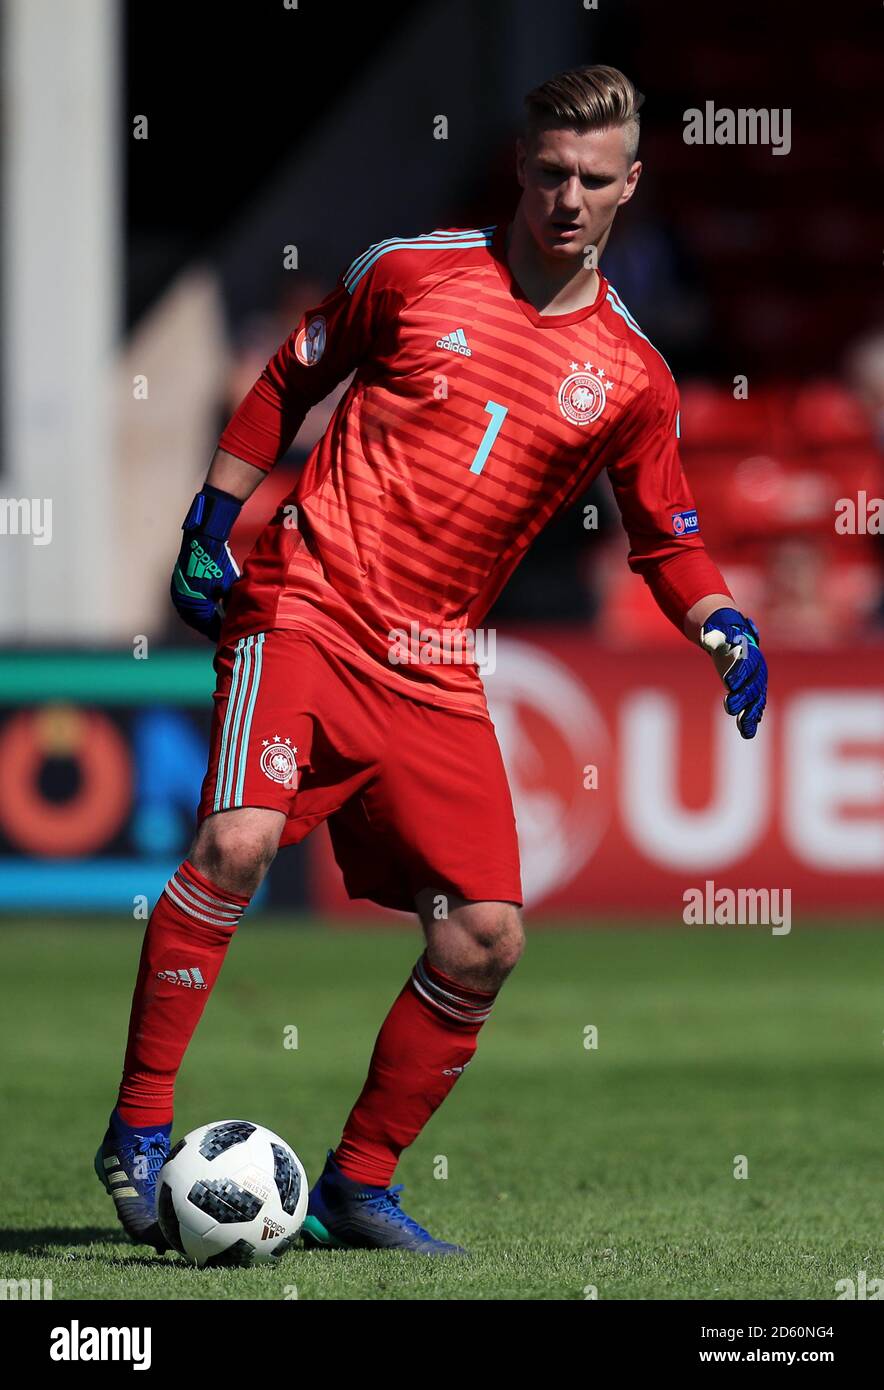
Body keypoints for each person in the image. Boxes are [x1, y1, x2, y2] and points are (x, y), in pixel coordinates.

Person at [96, 64, 767, 1258]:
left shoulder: (631, 379)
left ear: (629, 189)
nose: (567, 197)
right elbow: (291, 376)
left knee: (483, 936)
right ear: (519, 164)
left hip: (434, 664)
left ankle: (357, 1184)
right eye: (550, 171)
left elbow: (666, 537)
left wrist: (721, 623)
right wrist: (212, 516)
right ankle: (139, 1130)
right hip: (306, 605)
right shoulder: (408, 271)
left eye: (593, 180)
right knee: (236, 839)